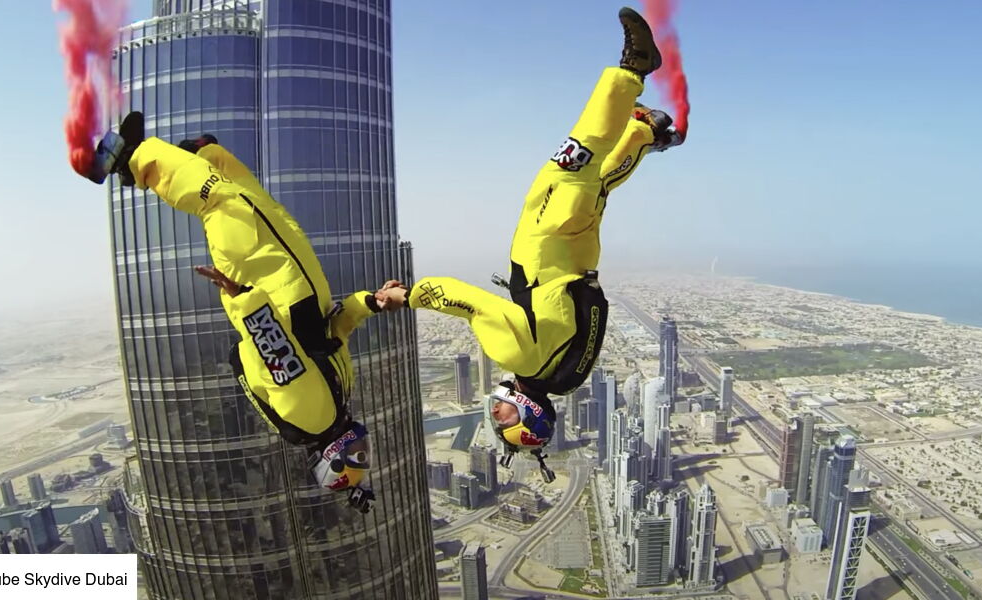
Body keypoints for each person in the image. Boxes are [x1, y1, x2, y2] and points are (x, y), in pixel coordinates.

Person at [381, 7, 684, 481]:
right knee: (571, 164)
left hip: (580, 264)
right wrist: (408, 297)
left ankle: (647, 131)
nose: (493, 410)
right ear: (527, 411)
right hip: (546, 251)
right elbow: (466, 302)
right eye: (503, 417)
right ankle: (632, 71)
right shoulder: (518, 358)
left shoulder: (564, 378)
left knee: (595, 185)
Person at [84, 118, 407, 512]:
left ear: (331, 458)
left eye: (355, 456)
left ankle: (130, 163)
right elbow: (336, 330)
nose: (362, 446)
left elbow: (276, 352)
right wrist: (373, 301)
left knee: (218, 200)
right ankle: (200, 153)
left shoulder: (315, 417)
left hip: (268, 287)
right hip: (289, 275)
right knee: (254, 200)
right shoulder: (335, 405)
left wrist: (244, 299)